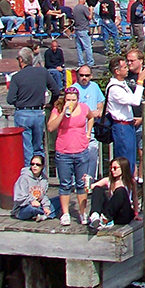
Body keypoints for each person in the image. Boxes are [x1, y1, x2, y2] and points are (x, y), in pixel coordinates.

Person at [47, 87, 93, 226]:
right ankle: (65, 213)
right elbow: (50, 127)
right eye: (68, 99)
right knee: (65, 184)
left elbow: (90, 117)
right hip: (64, 152)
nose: (71, 102)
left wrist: (88, 133)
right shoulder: (58, 109)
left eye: (73, 100)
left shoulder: (84, 108)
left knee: (82, 184)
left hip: (81, 150)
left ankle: (82, 212)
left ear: (78, 99)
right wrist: (62, 113)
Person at [8, 47, 55, 166]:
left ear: (20, 60)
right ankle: (41, 176)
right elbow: (56, 90)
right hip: (39, 112)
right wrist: (50, 103)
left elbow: (10, 100)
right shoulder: (43, 72)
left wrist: (20, 102)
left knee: (27, 149)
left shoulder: (16, 77)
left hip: (23, 113)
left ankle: (29, 177)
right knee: (38, 147)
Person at [105, 56, 145, 174]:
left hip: (128, 125)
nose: (127, 69)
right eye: (124, 67)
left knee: (131, 160)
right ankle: (124, 188)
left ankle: (130, 188)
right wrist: (140, 82)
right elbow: (134, 101)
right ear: (117, 71)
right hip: (121, 127)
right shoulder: (114, 89)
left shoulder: (122, 84)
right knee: (125, 161)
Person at [70, 65, 106, 178]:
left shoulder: (94, 86)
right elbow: (71, 110)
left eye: (87, 75)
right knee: (78, 159)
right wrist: (90, 113)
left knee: (93, 156)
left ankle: (91, 182)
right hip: (78, 131)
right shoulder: (73, 89)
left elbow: (101, 101)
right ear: (77, 76)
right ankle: (77, 183)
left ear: (91, 76)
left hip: (93, 130)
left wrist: (99, 110)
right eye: (81, 75)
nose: (84, 78)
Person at [86, 156, 137, 232]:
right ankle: (95, 216)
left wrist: (136, 213)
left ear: (123, 168)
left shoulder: (131, 182)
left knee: (121, 190)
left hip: (123, 213)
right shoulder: (108, 180)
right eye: (111, 168)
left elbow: (135, 198)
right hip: (113, 213)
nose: (112, 170)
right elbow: (91, 187)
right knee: (97, 188)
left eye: (115, 168)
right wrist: (87, 181)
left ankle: (105, 219)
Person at [11, 156, 57, 221]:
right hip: (23, 208)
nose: (34, 166)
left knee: (58, 200)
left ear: (42, 166)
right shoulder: (23, 178)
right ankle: (46, 215)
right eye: (32, 164)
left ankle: (43, 215)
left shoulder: (44, 180)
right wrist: (31, 201)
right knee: (32, 208)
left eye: (38, 165)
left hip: (39, 205)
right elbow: (19, 198)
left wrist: (46, 206)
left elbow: (43, 196)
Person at [71, 0, 94, 67]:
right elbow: (89, 17)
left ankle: (80, 62)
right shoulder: (83, 8)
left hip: (77, 29)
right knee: (87, 47)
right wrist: (91, 11)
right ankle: (90, 62)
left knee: (79, 47)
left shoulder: (75, 8)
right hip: (84, 29)